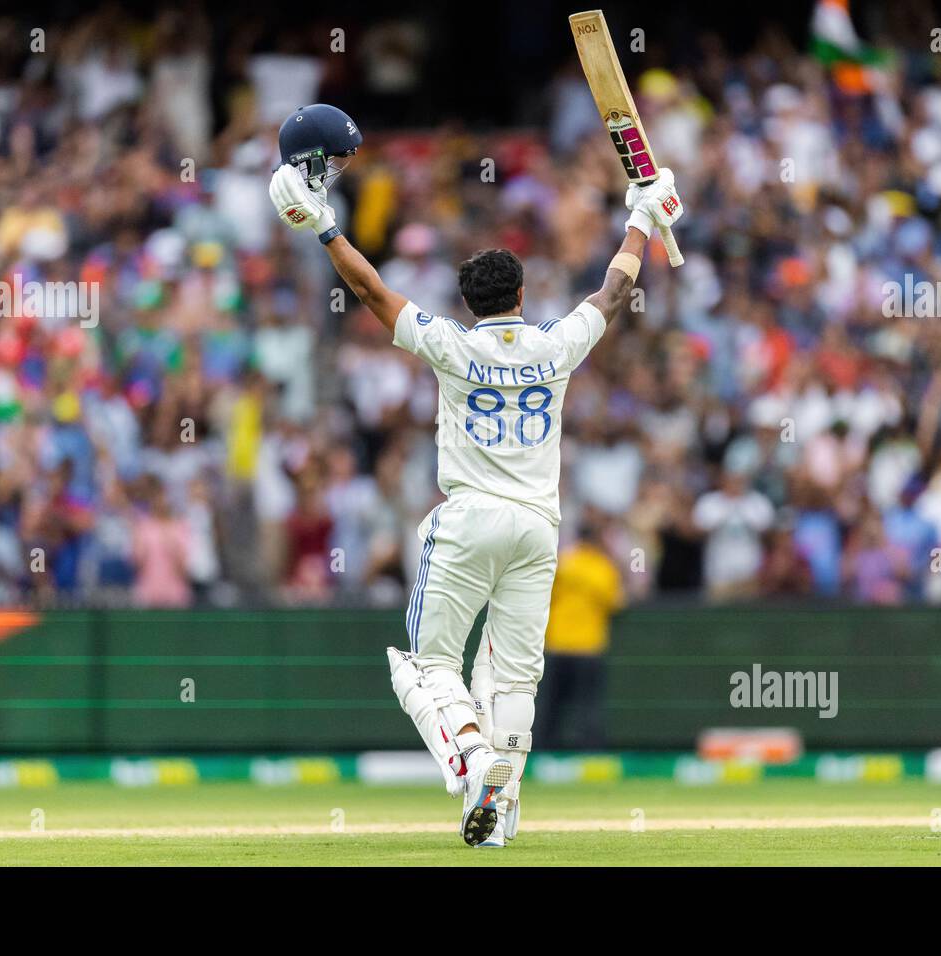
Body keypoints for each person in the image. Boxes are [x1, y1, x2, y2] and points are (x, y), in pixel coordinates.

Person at [268, 103, 684, 847]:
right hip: (538, 527)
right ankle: (499, 812)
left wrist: (327, 228)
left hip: (469, 520)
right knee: (516, 681)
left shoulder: (454, 348)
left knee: (424, 666)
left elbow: (370, 294)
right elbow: (614, 293)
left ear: (470, 302)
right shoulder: (555, 346)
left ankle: (473, 763)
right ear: (522, 296)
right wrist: (643, 219)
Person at [535, 521, 624, 749]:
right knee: (589, 706)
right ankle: (590, 752)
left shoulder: (562, 564)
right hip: (589, 646)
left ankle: (541, 751)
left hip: (557, 644)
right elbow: (615, 603)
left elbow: (542, 596)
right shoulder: (604, 567)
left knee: (550, 705)